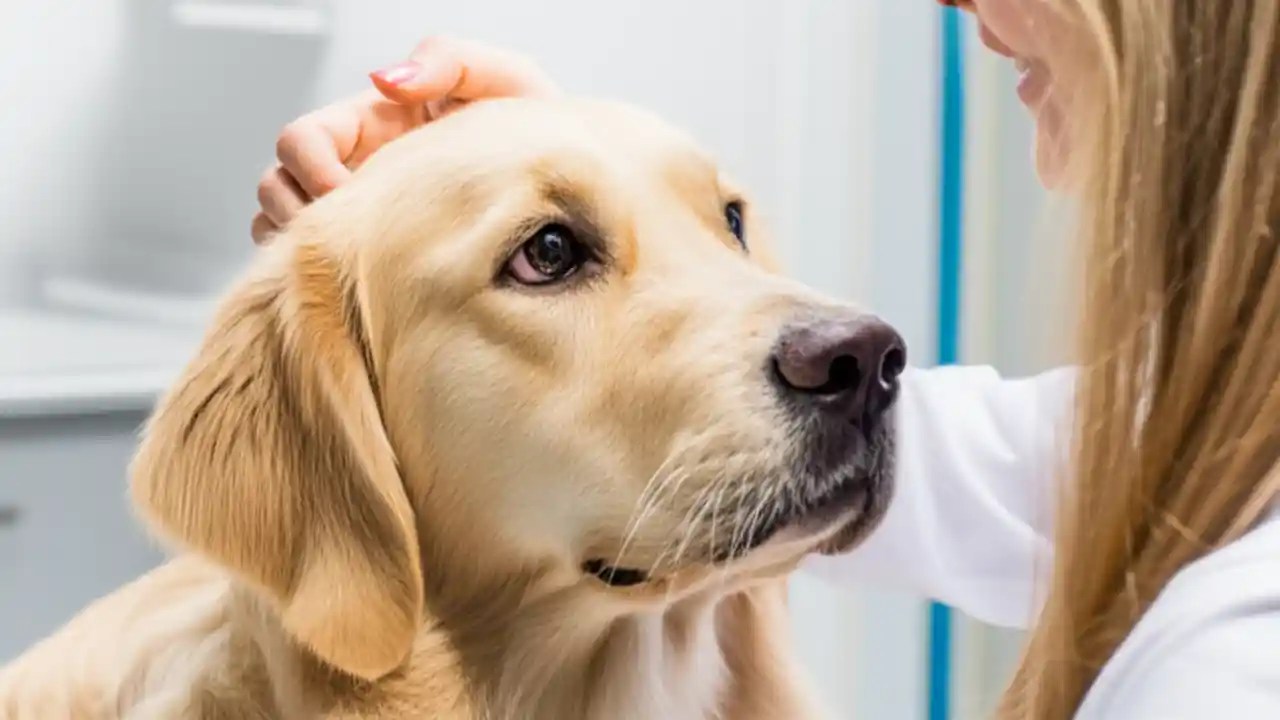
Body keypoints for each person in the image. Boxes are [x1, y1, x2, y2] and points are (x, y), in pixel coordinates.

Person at [251, 1, 1280, 717]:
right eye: (555, 257)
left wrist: (545, 252)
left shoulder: (1231, 659)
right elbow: (1022, 466)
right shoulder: (1229, 452)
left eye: (728, 224)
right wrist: (543, 171)